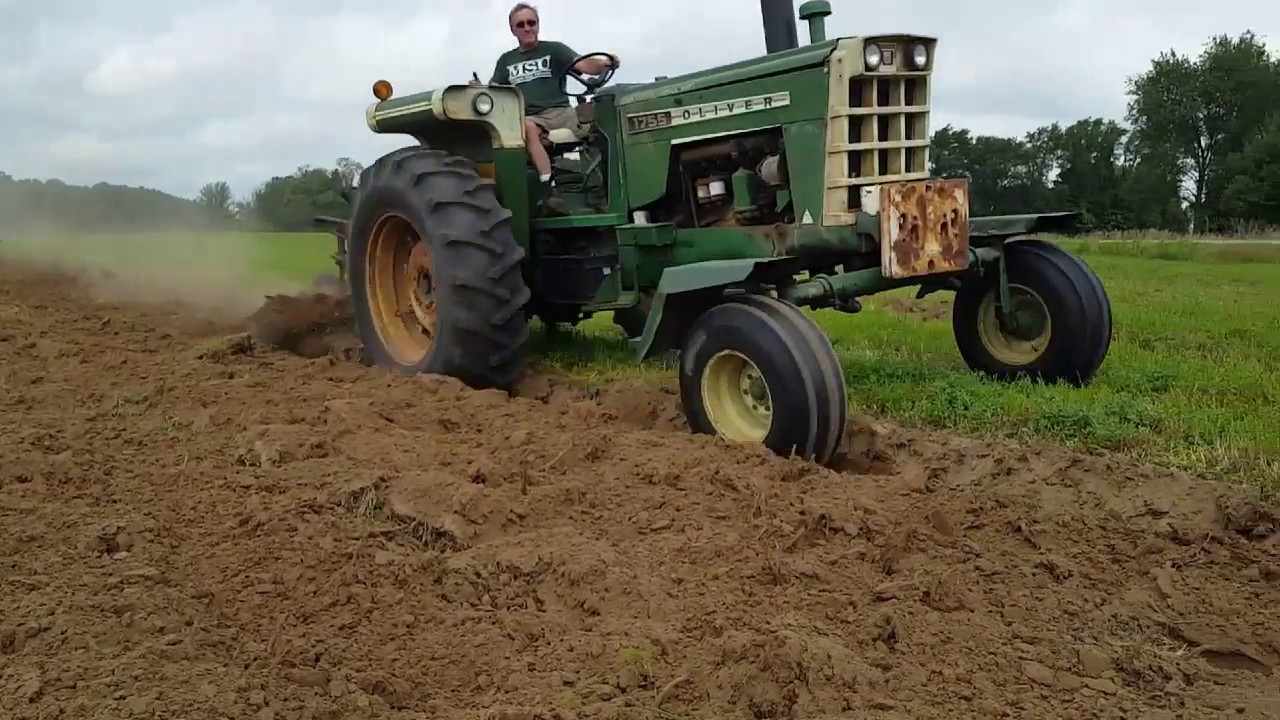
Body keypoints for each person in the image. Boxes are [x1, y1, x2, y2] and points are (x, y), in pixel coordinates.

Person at [471, 3, 618, 214]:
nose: (527, 28)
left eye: (531, 22)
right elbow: (494, 92)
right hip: (532, 118)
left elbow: (585, 66)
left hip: (562, 112)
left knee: (604, 117)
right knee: (528, 127)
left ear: (538, 25)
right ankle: (550, 189)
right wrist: (478, 89)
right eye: (521, 25)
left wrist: (606, 63)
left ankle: (605, 186)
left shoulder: (554, 50)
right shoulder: (507, 61)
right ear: (513, 30)